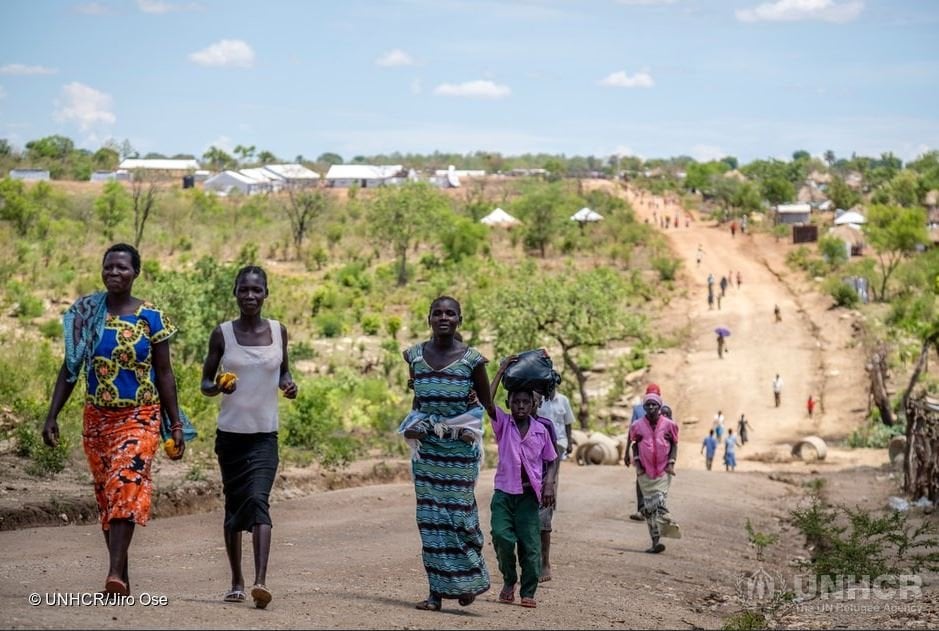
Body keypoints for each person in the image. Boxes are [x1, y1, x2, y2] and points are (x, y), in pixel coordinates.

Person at [42, 243, 184, 596]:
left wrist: (176, 422)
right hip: (97, 419)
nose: (114, 273)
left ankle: (113, 573)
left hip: (140, 416)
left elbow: (165, 374)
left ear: (136, 272)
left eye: (122, 268)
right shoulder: (87, 314)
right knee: (108, 495)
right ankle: (120, 570)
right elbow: (70, 368)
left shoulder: (152, 317)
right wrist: (52, 415)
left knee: (126, 483)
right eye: (109, 267)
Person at [200, 266, 297, 609]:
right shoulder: (222, 334)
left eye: (257, 290)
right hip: (230, 437)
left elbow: (283, 369)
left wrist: (288, 384)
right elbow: (206, 383)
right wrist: (219, 386)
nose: (251, 296)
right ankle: (236, 582)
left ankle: (260, 582)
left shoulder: (278, 332)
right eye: (244, 290)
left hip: (264, 437)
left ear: (266, 293)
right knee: (233, 507)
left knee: (258, 501)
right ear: (236, 293)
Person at [397, 296, 494, 612]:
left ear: (459, 319)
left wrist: (508, 431)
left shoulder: (472, 360)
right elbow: (418, 404)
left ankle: (468, 578)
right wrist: (413, 427)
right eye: (437, 312)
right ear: (428, 318)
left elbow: (485, 405)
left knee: (459, 516)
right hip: (427, 453)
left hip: (460, 452)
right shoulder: (414, 356)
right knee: (430, 520)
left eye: (450, 313)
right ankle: (436, 593)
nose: (443, 317)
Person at [488, 357, 558, 609]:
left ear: (533, 404)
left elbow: (551, 459)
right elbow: (487, 399)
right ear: (508, 403)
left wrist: (549, 483)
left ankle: (528, 590)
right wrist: (501, 370)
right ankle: (509, 580)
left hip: (530, 498)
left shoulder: (541, 430)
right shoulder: (503, 424)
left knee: (530, 546)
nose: (520, 406)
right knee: (501, 536)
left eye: (525, 402)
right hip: (504, 495)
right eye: (515, 402)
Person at [628, 392, 680, 553]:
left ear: (659, 407)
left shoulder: (669, 425)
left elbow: (674, 444)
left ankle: (666, 518)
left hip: (663, 471)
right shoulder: (637, 425)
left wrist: (671, 463)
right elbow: (634, 444)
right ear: (644, 407)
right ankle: (655, 542)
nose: (651, 407)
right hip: (645, 471)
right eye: (648, 405)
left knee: (658, 501)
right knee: (650, 509)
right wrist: (637, 463)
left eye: (654, 405)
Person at [535, 388, 575, 583]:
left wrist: (548, 483)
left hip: (557, 442)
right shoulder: (514, 422)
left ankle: (544, 563)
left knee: (552, 477)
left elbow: (567, 423)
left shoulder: (561, 403)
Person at [625, 383, 664, 521]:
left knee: (641, 479)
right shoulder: (664, 408)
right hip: (657, 452)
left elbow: (631, 432)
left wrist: (626, 452)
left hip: (643, 451)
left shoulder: (638, 409)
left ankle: (643, 509)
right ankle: (653, 509)